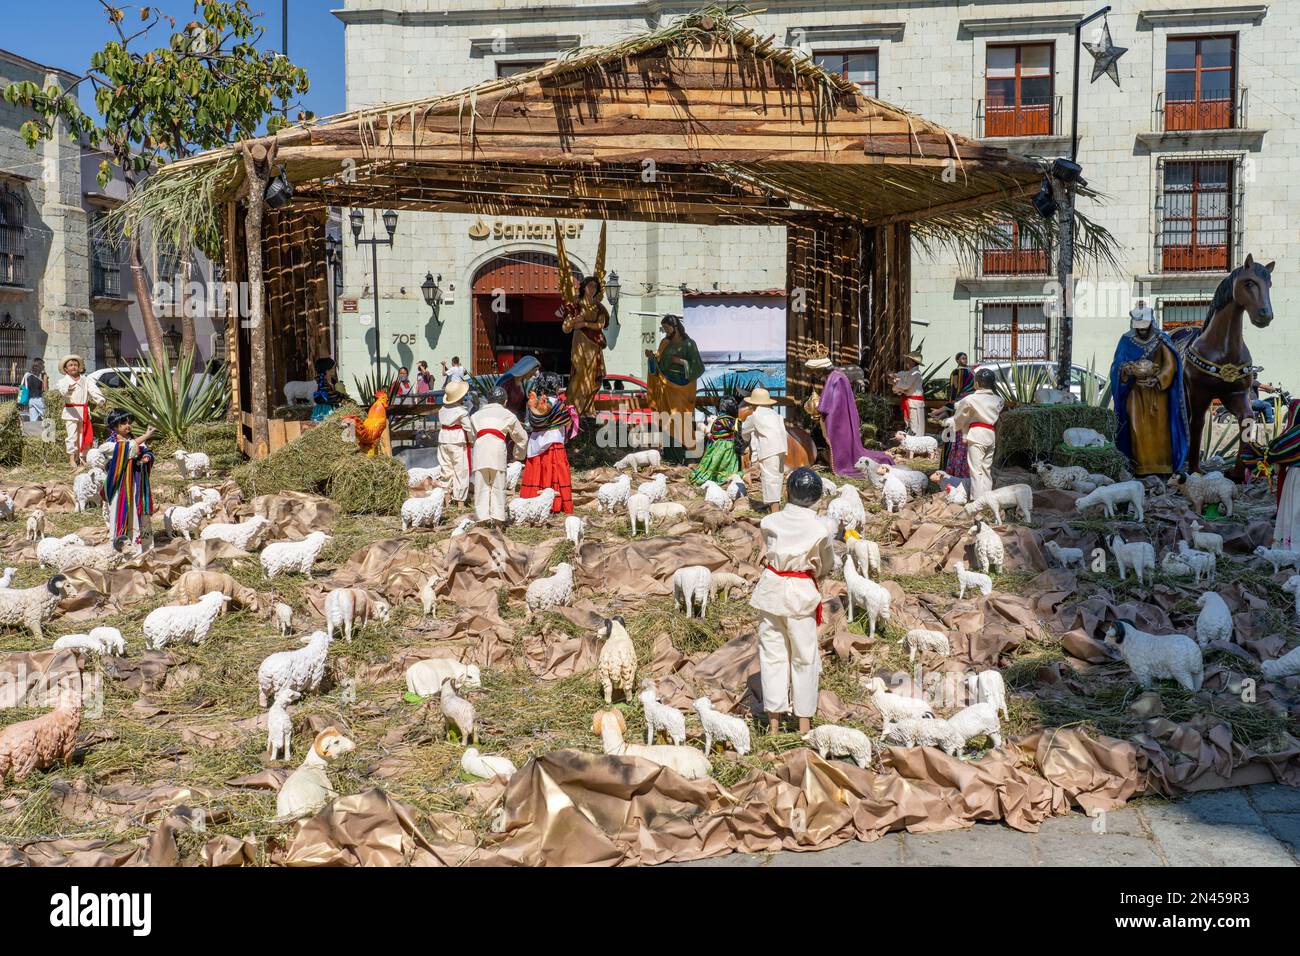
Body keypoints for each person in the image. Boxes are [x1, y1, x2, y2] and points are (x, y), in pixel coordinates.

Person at [749, 467, 833, 736]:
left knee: (772, 654)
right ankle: (803, 723)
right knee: (804, 657)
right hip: (800, 593)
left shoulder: (770, 521)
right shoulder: (820, 529)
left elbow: (768, 550)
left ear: (787, 492)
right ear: (818, 497)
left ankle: (773, 723)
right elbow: (825, 564)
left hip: (771, 590)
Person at [1110, 309, 1188, 477]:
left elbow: (1170, 365)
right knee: (1137, 432)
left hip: (1159, 396)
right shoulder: (1126, 341)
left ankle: (1163, 468)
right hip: (1136, 396)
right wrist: (1126, 370)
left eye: (1146, 326)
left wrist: (1158, 379)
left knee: (1161, 433)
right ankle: (1140, 469)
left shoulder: (1162, 340)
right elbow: (1117, 365)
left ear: (1152, 323)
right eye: (1139, 327)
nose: (1143, 330)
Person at [803, 350, 892, 475]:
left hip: (838, 421)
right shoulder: (836, 376)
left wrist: (815, 406)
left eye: (816, 370)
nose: (815, 374)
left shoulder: (834, 379)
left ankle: (878, 459)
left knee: (842, 448)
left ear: (821, 368)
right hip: (841, 418)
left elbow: (826, 406)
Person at [555, 220, 609, 417]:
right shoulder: (575, 305)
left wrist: (585, 323)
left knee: (593, 377)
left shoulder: (598, 306)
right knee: (579, 374)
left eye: (595, 286)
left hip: (593, 345)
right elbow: (566, 328)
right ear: (583, 287)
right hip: (579, 344)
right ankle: (574, 408)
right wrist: (572, 321)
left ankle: (588, 408)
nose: (592, 289)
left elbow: (601, 324)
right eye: (589, 286)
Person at [646, 314, 705, 465]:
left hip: (681, 389)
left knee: (679, 421)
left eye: (667, 328)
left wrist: (680, 361)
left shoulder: (689, 344)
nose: (665, 331)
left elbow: (698, 367)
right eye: (664, 328)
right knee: (667, 420)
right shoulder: (664, 343)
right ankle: (670, 457)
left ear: (675, 327)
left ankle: (683, 457)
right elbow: (657, 366)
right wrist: (652, 358)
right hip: (665, 388)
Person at [519, 372, 578, 515]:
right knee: (556, 471)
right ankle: (557, 503)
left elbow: (529, 423)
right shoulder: (560, 406)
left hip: (537, 442)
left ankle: (533, 500)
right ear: (556, 386)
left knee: (538, 471)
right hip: (555, 441)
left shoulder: (534, 403)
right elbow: (567, 424)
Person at [467, 386, 527, 525]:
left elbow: (472, 437)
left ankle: (482, 519)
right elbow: (522, 438)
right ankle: (498, 520)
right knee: (498, 486)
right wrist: (517, 454)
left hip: (480, 451)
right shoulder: (508, 415)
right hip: (497, 451)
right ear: (505, 401)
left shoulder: (476, 416)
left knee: (480, 486)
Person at [99, 408, 157, 547]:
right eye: (123, 422)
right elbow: (127, 448)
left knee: (136, 510)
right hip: (119, 486)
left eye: (129, 422)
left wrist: (147, 456)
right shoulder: (109, 444)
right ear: (114, 426)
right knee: (120, 511)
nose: (128, 425)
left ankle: (140, 546)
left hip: (136, 483)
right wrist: (146, 435)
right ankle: (120, 545)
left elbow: (144, 449)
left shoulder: (134, 440)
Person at [944, 368, 1003, 501]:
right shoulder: (999, 400)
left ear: (976, 383)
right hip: (990, 435)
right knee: (986, 468)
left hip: (976, 435)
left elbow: (959, 419)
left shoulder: (970, 399)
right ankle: (988, 497)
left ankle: (977, 500)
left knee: (976, 470)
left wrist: (951, 423)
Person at [741, 387, 787, 512]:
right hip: (781, 448)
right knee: (778, 477)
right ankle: (773, 506)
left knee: (770, 479)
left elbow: (744, 431)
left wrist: (745, 440)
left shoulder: (755, 416)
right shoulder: (776, 414)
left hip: (769, 450)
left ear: (753, 404)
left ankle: (775, 512)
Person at [56, 355, 106, 468]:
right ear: (65, 369)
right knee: (72, 436)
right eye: (70, 365)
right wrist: (67, 390)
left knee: (82, 434)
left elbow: (93, 390)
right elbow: (62, 391)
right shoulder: (63, 381)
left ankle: (82, 457)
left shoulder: (86, 380)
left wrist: (100, 399)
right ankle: (72, 459)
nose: (73, 367)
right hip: (71, 411)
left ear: (79, 367)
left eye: (75, 365)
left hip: (83, 410)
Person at [689, 395, 742, 485]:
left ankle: (719, 477)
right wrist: (740, 421)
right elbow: (735, 428)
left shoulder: (723, 419)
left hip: (719, 446)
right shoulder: (726, 419)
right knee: (723, 464)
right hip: (724, 446)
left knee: (715, 463)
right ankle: (723, 477)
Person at [939, 352, 976, 479]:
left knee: (952, 440)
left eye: (965, 357)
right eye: (962, 358)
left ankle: (952, 469)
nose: (965, 359)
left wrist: (940, 410)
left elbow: (952, 400)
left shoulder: (959, 373)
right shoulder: (971, 374)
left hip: (959, 426)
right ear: (957, 360)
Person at [437, 379, 473, 505]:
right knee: (461, 471)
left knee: (446, 470)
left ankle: (446, 501)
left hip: (443, 440)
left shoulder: (442, 409)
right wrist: (471, 440)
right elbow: (469, 429)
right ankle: (460, 503)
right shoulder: (461, 412)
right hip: (457, 441)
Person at [889, 351, 926, 438]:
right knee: (909, 423)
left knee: (915, 424)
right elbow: (902, 375)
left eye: (908, 360)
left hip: (915, 403)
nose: (907, 362)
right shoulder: (910, 372)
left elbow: (906, 386)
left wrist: (895, 381)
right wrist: (894, 376)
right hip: (910, 401)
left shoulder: (916, 374)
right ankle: (911, 443)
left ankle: (917, 444)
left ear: (913, 361)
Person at [20, 358, 47, 422]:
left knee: (33, 421)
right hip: (39, 399)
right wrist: (45, 379)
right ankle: (48, 431)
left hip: (30, 401)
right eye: (43, 365)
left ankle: (34, 432)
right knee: (47, 417)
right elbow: (45, 389)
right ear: (40, 365)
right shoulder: (41, 377)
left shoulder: (27, 375)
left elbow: (23, 387)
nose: (44, 366)